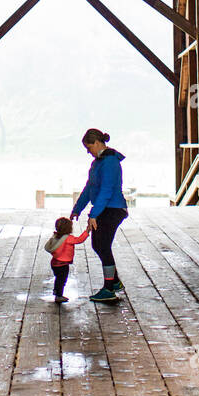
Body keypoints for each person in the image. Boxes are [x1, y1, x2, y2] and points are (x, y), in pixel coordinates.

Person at [70, 127, 128, 302]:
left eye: (89, 148)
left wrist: (93, 215)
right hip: (105, 208)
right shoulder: (97, 162)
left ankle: (109, 289)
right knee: (98, 244)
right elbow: (90, 188)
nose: (89, 152)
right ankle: (115, 281)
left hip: (114, 208)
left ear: (97, 143)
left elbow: (106, 190)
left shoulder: (110, 162)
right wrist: (78, 208)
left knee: (102, 245)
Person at [43, 217, 90, 303]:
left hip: (54, 263)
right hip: (63, 264)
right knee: (62, 279)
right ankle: (58, 295)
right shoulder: (68, 238)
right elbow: (79, 240)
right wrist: (87, 231)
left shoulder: (56, 236)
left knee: (58, 278)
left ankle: (57, 291)